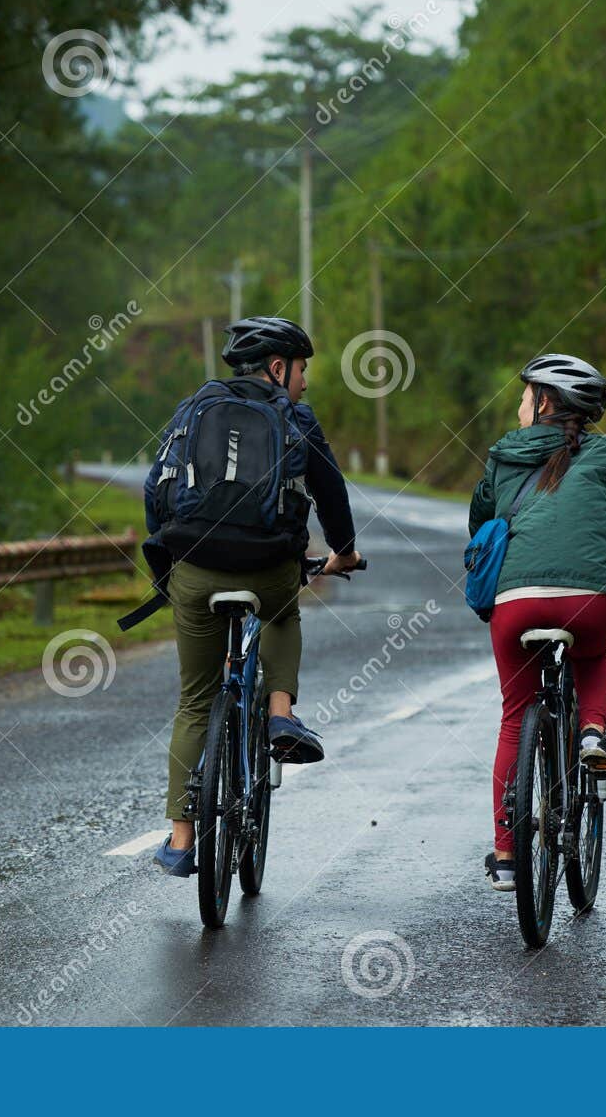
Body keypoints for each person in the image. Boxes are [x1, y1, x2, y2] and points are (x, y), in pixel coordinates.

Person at [142, 316, 361, 876]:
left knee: (195, 701)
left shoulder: (192, 409)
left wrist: (166, 557)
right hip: (267, 566)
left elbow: (156, 489)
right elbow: (330, 491)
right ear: (278, 367)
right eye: (302, 370)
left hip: (194, 566)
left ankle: (182, 839)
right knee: (283, 613)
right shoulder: (297, 418)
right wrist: (343, 552)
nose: (305, 383)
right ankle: (281, 716)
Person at [467, 353, 606, 892]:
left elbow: (478, 528)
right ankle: (591, 732)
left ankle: (507, 856)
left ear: (544, 403)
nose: (519, 404)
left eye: (525, 394)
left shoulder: (502, 458)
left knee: (515, 716)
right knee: (594, 657)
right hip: (588, 602)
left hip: (515, 604)